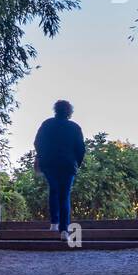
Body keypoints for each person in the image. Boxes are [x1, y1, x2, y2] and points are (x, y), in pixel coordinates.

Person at [33, 100, 85, 237]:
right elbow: (80, 149)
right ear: (69, 112)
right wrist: (76, 164)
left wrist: (43, 156)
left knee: (54, 191)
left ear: (55, 110)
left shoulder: (47, 124)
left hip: (49, 164)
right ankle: (64, 230)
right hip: (68, 165)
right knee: (64, 195)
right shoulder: (75, 127)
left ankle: (54, 224)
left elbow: (37, 142)